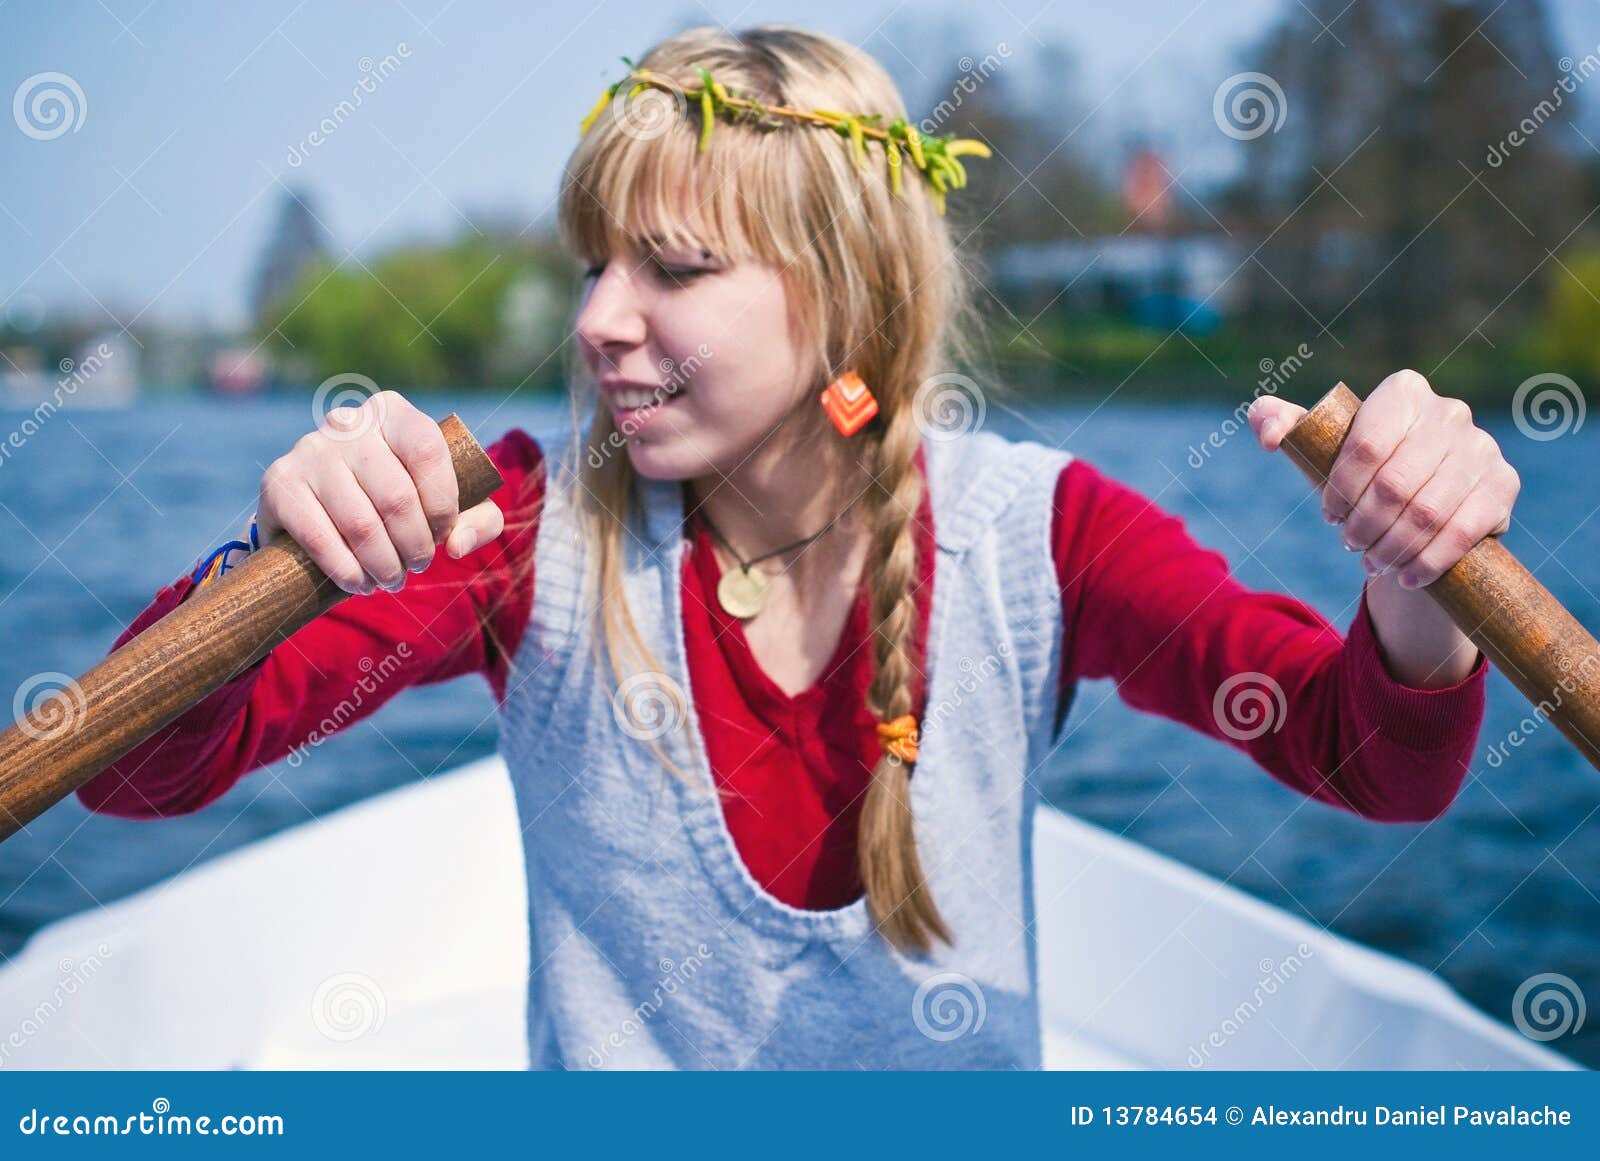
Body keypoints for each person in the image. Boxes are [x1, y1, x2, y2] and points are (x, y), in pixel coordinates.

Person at [78, 25, 1516, 1069]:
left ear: (844, 302)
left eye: (676, 268)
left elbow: (1370, 761)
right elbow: (140, 770)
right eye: (595, 263)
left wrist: (1413, 563)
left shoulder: (1044, 534)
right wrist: (267, 564)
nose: (595, 321)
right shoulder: (518, 532)